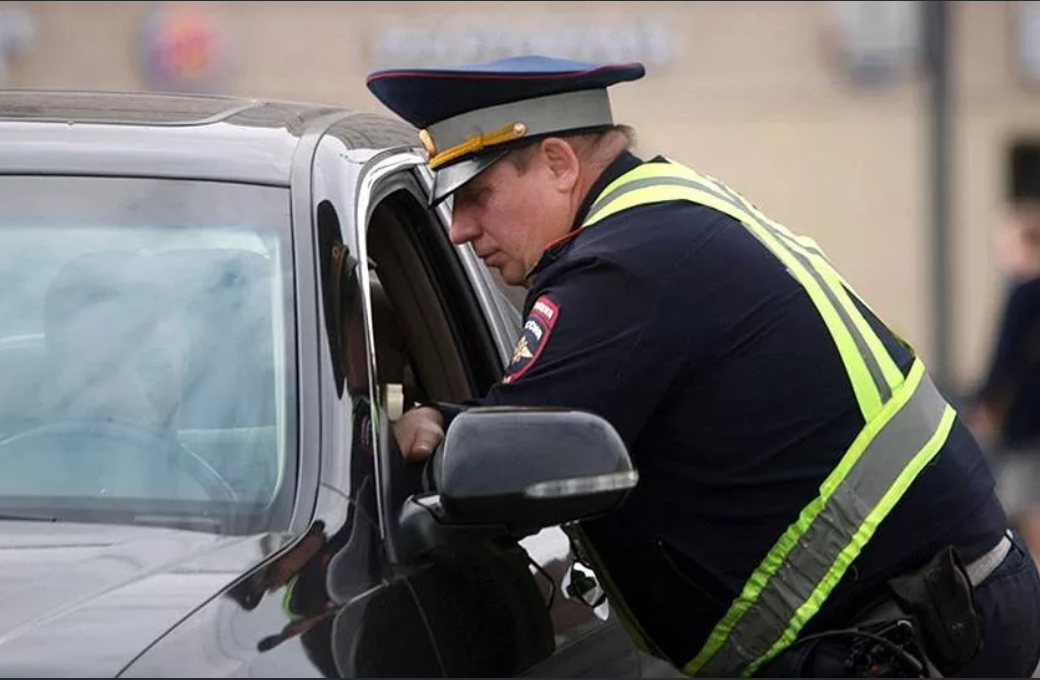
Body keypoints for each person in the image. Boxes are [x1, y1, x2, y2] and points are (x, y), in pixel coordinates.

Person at [365, 55, 1040, 677]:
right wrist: (453, 421)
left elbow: (509, 454)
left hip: (903, 633)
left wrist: (432, 437)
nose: (458, 228)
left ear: (558, 162)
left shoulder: (618, 269)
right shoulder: (662, 212)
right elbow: (544, 417)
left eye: (474, 194)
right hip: (932, 607)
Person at [967, 200, 1040, 566]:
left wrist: (983, 402)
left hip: (1026, 417)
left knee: (1024, 502)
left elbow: (1004, 354)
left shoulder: (1024, 292)